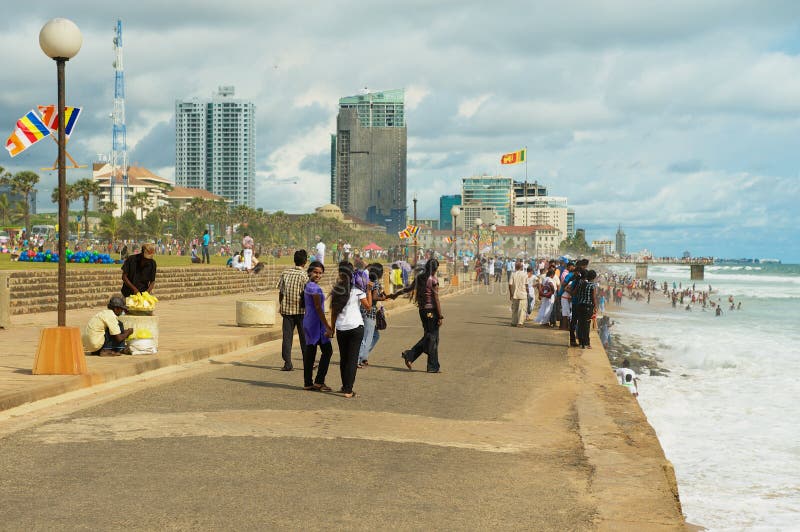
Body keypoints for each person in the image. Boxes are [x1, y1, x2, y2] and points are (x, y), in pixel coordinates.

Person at [329, 262, 370, 398]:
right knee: (352, 359)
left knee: (344, 358)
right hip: (356, 327)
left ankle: (344, 386)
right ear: (352, 273)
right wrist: (368, 289)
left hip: (341, 327)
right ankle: (348, 390)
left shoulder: (336, 290)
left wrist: (332, 328)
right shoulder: (357, 290)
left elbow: (334, 312)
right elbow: (368, 306)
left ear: (339, 273)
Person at [401, 259, 443, 373]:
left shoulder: (420, 277)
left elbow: (409, 288)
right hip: (431, 311)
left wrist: (395, 294)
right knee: (431, 338)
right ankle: (411, 355)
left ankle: (432, 365)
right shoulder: (433, 280)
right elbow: (436, 299)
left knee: (431, 338)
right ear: (434, 269)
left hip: (422, 310)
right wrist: (440, 316)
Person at [302, 261, 333, 391]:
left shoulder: (309, 286)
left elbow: (317, 303)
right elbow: (318, 307)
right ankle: (319, 381)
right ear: (310, 272)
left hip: (309, 322)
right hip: (316, 324)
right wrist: (328, 326)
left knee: (311, 352)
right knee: (327, 351)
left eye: (320, 273)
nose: (318, 275)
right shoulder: (314, 288)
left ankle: (308, 382)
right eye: (315, 272)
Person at [277, 250, 309, 371]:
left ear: (294, 260)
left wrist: (281, 305)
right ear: (305, 261)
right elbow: (307, 294)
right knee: (304, 338)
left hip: (287, 310)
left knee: (287, 337)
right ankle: (307, 363)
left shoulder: (285, 273)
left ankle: (287, 363)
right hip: (301, 311)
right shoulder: (304, 275)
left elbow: (281, 292)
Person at [358, 263, 387, 367]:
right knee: (367, 337)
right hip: (370, 312)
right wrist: (382, 298)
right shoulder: (375, 282)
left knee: (374, 335)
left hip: (363, 309)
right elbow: (374, 297)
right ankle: (358, 358)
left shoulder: (366, 280)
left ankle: (364, 356)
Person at [573, 270, 598, 349]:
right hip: (588, 307)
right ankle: (586, 343)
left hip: (580, 305)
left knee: (580, 324)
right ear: (594, 277)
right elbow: (593, 297)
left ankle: (581, 342)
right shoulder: (592, 285)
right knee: (586, 325)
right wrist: (595, 306)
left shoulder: (581, 283)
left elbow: (576, 293)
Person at [508, 260, 528, 327]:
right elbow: (526, 285)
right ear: (521, 267)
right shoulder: (525, 274)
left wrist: (511, 294)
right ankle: (520, 323)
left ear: (515, 267)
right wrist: (527, 292)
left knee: (515, 309)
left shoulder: (513, 274)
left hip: (515, 294)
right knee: (522, 309)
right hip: (523, 293)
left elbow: (510, 285)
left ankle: (513, 322)